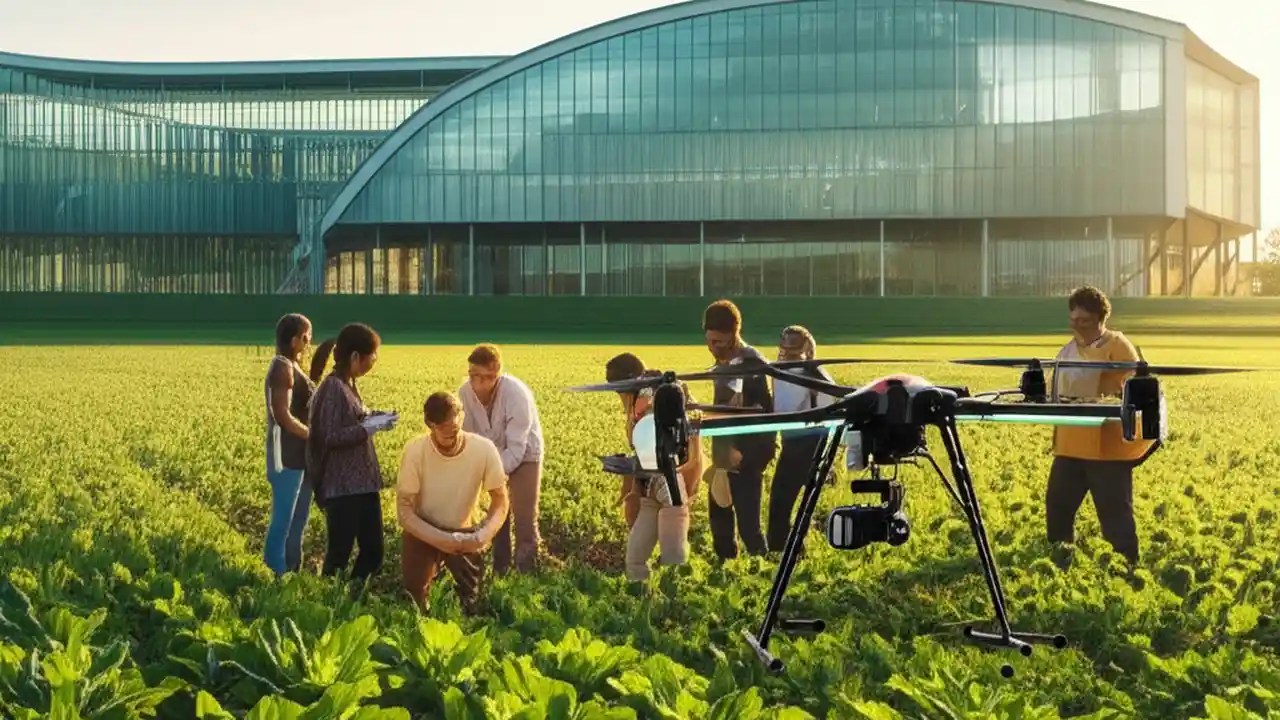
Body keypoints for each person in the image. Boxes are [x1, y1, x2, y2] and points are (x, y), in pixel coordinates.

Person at [1046, 286, 1153, 568]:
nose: (1077, 326)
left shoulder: (1116, 346)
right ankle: (1060, 564)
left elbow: (1137, 386)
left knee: (1115, 516)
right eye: (1073, 320)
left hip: (1106, 449)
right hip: (1069, 445)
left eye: (1084, 321)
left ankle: (1126, 570)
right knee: (1058, 508)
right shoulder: (1069, 349)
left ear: (1100, 319)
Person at [396, 391, 509, 615]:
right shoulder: (415, 451)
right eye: (446, 434)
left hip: (465, 532)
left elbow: (500, 499)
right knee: (416, 600)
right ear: (430, 424)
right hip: (424, 530)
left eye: (456, 431)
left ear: (462, 419)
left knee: (469, 603)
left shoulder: (483, 449)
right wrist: (442, 540)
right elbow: (405, 512)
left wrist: (482, 535)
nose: (453, 438)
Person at [305, 323, 398, 587]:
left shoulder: (348, 384)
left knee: (373, 552)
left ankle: (351, 597)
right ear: (356, 356)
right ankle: (328, 603)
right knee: (339, 555)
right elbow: (330, 436)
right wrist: (368, 428)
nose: (374, 361)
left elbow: (353, 420)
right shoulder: (333, 388)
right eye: (373, 356)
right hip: (343, 486)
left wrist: (376, 419)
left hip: (361, 484)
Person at [604, 353, 704, 583]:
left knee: (673, 560)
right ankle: (642, 602)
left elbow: (686, 451)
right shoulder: (638, 405)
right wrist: (633, 490)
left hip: (671, 490)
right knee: (635, 559)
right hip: (651, 491)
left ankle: (675, 608)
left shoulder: (651, 400)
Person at [457, 343, 545, 575]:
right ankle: (501, 570)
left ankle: (528, 572)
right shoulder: (464, 394)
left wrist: (491, 475)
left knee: (525, 518)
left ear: (495, 371)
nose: (476, 383)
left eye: (482, 377)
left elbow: (517, 448)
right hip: (490, 457)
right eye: (472, 375)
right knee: (497, 517)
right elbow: (468, 439)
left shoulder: (516, 394)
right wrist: (478, 472)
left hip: (525, 457)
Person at [701, 299, 774, 559]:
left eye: (718, 342)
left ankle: (762, 569)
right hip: (724, 452)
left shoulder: (751, 363)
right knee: (719, 521)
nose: (713, 348)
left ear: (734, 334)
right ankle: (726, 571)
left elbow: (762, 414)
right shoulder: (723, 363)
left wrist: (742, 453)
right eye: (709, 342)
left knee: (748, 526)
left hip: (748, 454)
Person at [766, 326, 838, 552]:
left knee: (783, 500)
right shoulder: (778, 372)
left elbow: (831, 402)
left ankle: (785, 548)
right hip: (792, 441)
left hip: (808, 442)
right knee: (784, 500)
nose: (787, 354)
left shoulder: (813, 374)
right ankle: (787, 547)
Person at [263, 313, 317, 577]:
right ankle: (275, 572)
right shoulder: (281, 367)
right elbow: (281, 415)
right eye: (306, 336)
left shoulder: (294, 366)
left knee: (299, 518)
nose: (309, 342)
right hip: (285, 455)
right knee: (283, 520)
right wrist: (312, 435)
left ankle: (292, 569)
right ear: (294, 339)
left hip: (301, 455)